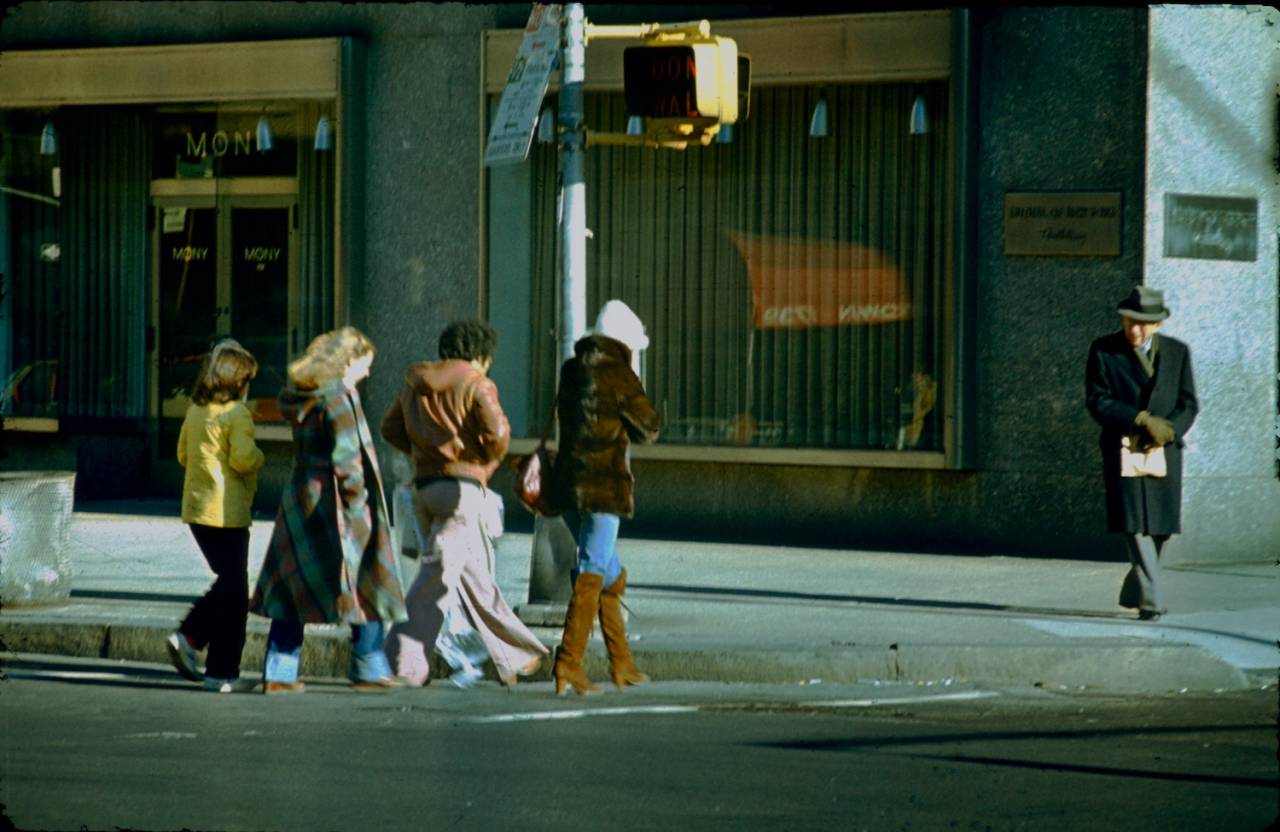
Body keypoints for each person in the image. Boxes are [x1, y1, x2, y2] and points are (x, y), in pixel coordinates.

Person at [382, 320, 548, 687]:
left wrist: (421, 454)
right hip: (461, 491)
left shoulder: (415, 383)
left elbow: (389, 427)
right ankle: (401, 663)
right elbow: (498, 435)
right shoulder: (476, 382)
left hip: (425, 488)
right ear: (480, 355)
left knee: (471, 578)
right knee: (435, 581)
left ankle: (516, 657)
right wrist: (484, 463)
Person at [250, 326, 407, 694]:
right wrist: (358, 503)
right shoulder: (339, 396)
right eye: (364, 365)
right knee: (368, 578)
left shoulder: (303, 394)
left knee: (293, 585)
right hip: (337, 501)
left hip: (302, 494)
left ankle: (279, 672)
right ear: (346, 361)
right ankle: (369, 668)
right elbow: (348, 457)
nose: (367, 373)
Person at [551, 300, 661, 695]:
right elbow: (649, 427)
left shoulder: (570, 369)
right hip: (603, 487)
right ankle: (568, 663)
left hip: (568, 486)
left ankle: (622, 663)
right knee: (592, 571)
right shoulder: (620, 374)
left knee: (607, 575)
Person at [1085, 286, 1198, 621]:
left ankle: (1135, 589)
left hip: (1165, 450)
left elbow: (1188, 402)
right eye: (1129, 321)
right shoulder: (1104, 350)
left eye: (1142, 324)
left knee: (1160, 528)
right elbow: (1097, 399)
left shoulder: (1178, 352)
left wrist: (1171, 429)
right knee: (1135, 525)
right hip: (1124, 447)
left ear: (1158, 325)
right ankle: (1152, 600)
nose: (1134, 330)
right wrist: (1138, 419)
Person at [166, 339, 265, 693]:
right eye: (246, 381)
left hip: (196, 511)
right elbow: (242, 458)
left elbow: (181, 455)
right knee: (235, 591)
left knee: (230, 585)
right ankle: (212, 661)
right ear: (236, 382)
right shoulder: (237, 415)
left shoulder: (195, 411)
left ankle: (206, 656)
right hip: (228, 512)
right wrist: (259, 458)